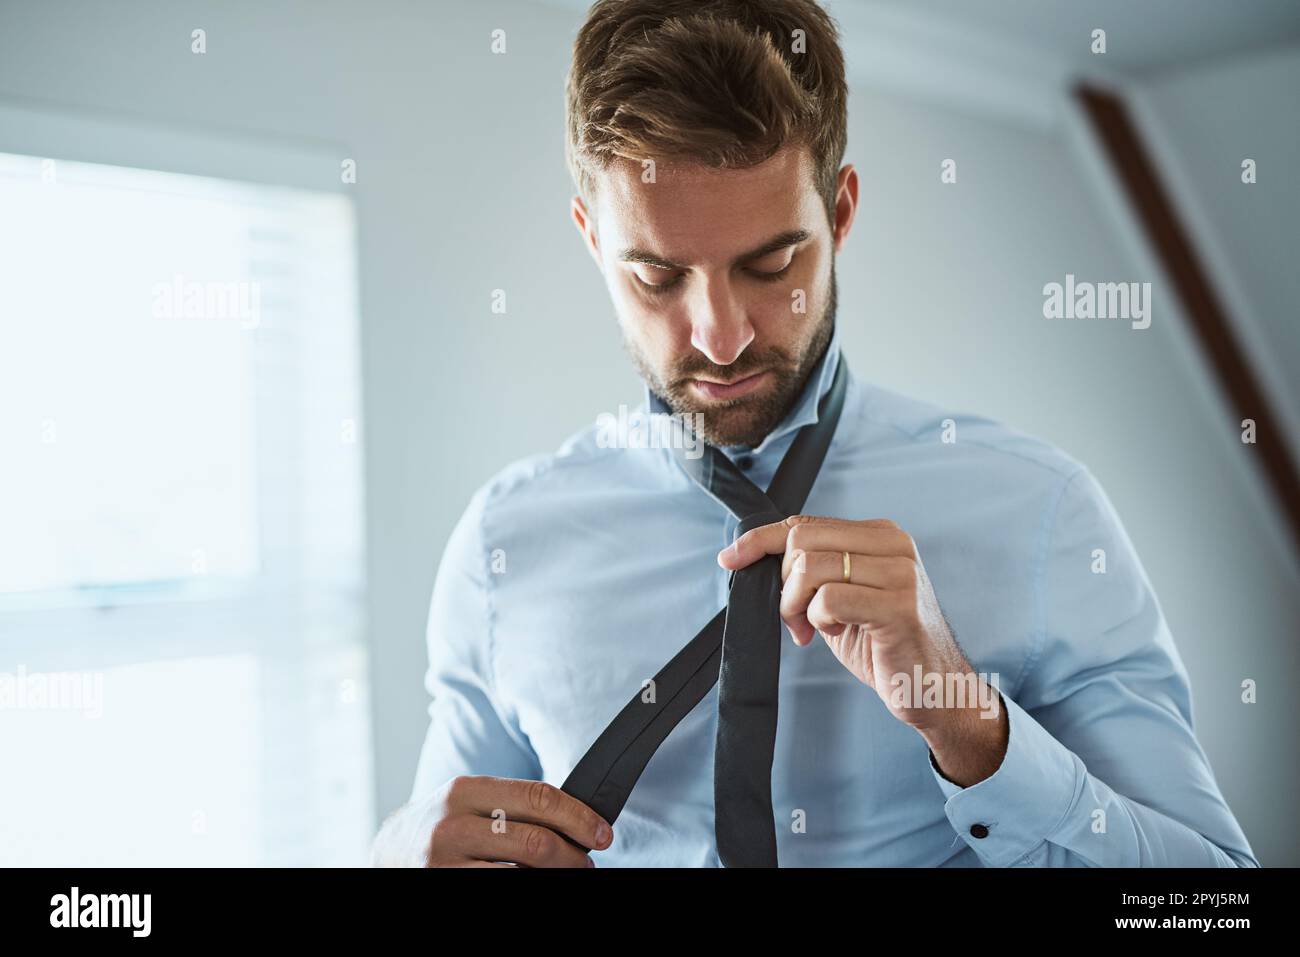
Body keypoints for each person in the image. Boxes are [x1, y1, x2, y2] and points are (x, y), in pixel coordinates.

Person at [371, 0, 1257, 867]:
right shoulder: (503, 548)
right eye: (656, 275)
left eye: (770, 264)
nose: (720, 337)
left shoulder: (1043, 514)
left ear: (840, 213)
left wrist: (972, 725)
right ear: (591, 239)